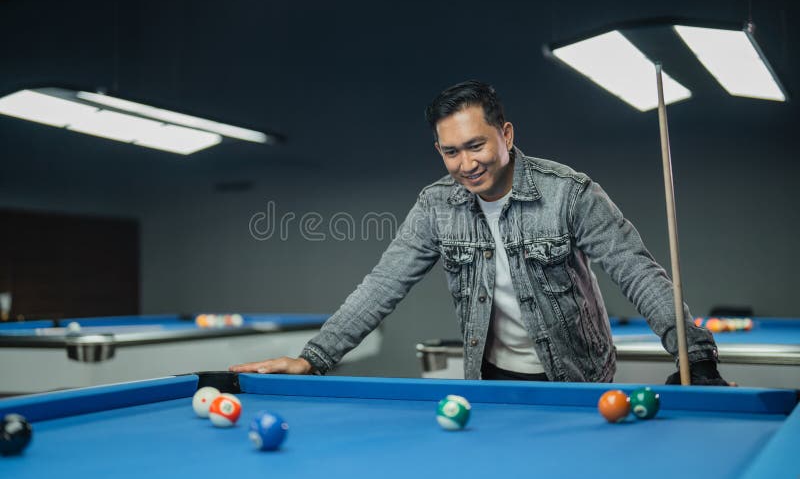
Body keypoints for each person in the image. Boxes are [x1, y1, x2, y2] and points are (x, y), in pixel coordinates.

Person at [230, 80, 728, 385]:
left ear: (506, 135)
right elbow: (383, 284)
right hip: (490, 379)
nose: (465, 164)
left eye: (476, 145)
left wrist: (697, 357)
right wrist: (313, 359)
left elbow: (638, 273)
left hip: (578, 379)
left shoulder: (570, 193)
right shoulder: (435, 206)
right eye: (451, 152)